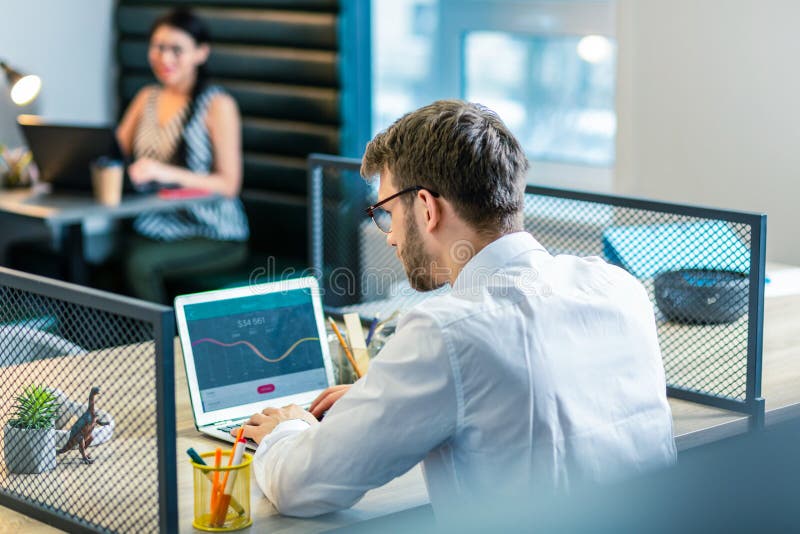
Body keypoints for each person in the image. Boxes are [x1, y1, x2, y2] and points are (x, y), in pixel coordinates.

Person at [234, 100, 677, 518]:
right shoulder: (619, 287)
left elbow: (299, 487)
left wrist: (286, 429)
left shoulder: (446, 333)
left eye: (386, 212)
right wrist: (386, 400)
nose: (388, 235)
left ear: (426, 208)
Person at [116, 9, 249, 304]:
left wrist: (164, 172)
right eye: (158, 47)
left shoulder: (217, 104)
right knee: (103, 258)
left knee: (139, 263)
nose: (164, 58)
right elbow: (112, 154)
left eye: (176, 49)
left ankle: (154, 347)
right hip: (158, 228)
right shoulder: (145, 98)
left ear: (201, 53)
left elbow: (229, 185)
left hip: (215, 233)